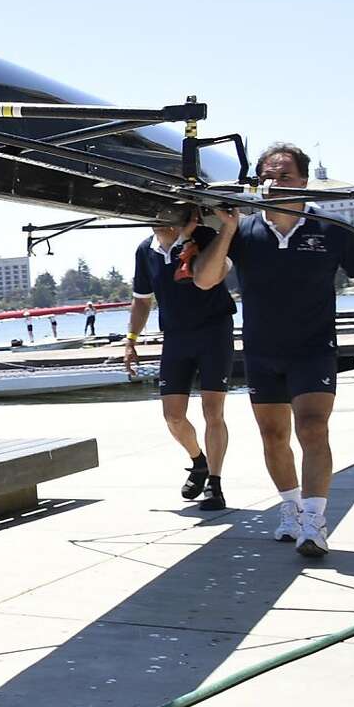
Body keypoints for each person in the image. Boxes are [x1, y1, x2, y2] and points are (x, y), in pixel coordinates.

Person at [191, 143, 354, 555]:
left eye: (284, 175)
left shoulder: (331, 231)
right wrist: (229, 230)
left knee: (311, 427)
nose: (275, 182)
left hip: (314, 348)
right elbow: (204, 280)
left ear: (304, 181)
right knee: (273, 435)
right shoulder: (244, 233)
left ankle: (314, 521)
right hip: (261, 352)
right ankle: (289, 509)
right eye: (267, 176)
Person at [125, 215, 235, 511]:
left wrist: (188, 238)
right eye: (155, 217)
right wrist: (131, 340)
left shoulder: (206, 236)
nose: (161, 222)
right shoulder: (144, 251)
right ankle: (198, 461)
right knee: (173, 416)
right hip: (176, 336)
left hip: (214, 331)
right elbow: (142, 299)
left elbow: (216, 274)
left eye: (168, 216)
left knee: (213, 411)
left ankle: (215, 482)